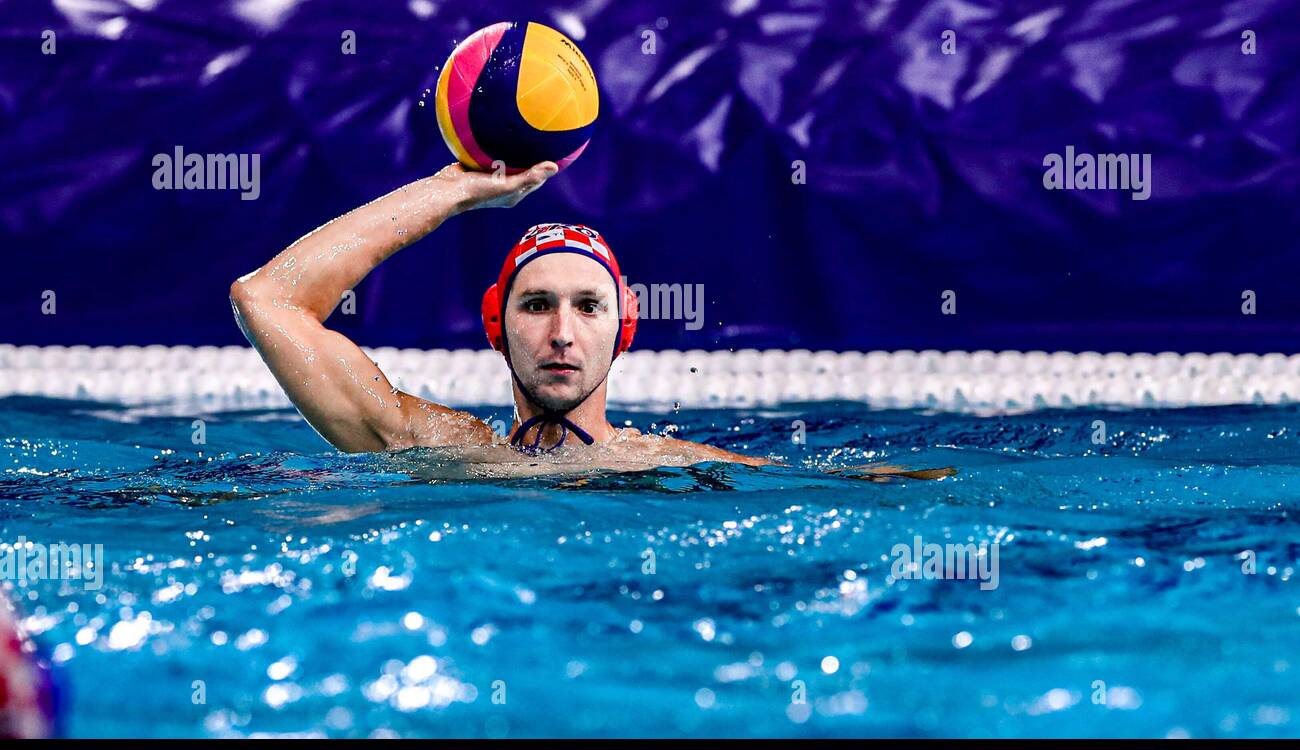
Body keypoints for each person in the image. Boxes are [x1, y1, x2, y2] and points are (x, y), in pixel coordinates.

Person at [230, 162, 953, 480]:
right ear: (496, 325)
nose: (563, 333)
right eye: (536, 305)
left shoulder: (674, 466)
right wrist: (450, 193)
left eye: (588, 306)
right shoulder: (423, 442)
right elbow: (268, 299)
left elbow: (874, 487)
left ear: (624, 327)